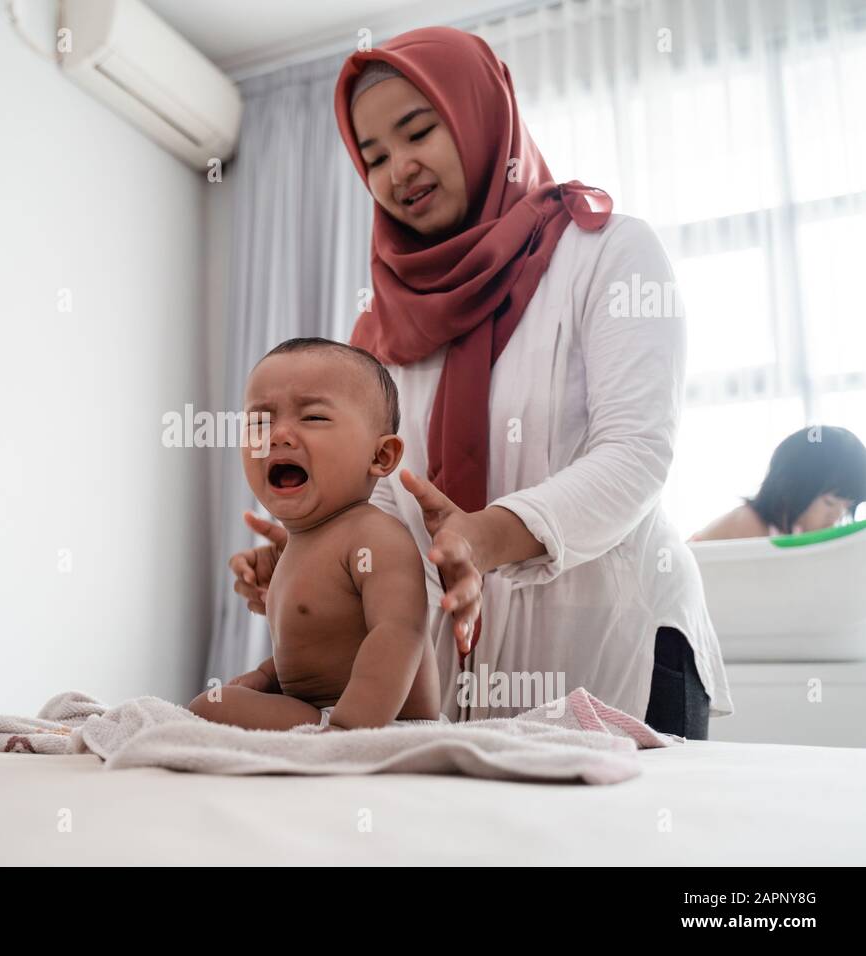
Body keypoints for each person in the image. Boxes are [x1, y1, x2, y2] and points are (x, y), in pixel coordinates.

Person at [227, 27, 731, 740]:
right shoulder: (379, 325)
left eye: (417, 132)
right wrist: (310, 570)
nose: (398, 169)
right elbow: (376, 505)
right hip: (451, 661)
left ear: (478, 115)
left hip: (613, 632)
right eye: (372, 157)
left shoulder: (608, 252)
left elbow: (636, 454)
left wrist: (486, 537)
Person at [190, 338, 440, 731]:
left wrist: (348, 730)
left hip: (379, 721)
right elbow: (315, 647)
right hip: (319, 714)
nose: (278, 435)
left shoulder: (375, 536)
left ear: (381, 456)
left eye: (313, 418)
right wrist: (266, 676)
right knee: (214, 702)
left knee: (210, 706)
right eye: (260, 421)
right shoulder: (297, 547)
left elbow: (398, 632)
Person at [691, 426, 866, 541]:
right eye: (830, 503)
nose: (834, 518)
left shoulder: (794, 531)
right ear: (793, 488)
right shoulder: (749, 525)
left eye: (846, 507)